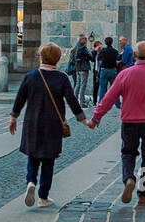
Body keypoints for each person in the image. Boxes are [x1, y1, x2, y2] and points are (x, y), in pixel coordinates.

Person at [90, 40, 145, 208]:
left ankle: (129, 178)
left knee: (128, 152)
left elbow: (109, 98)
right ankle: (143, 194)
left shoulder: (124, 74)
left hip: (129, 121)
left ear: (134, 55)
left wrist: (96, 117)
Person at [9, 43, 87, 207]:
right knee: (48, 160)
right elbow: (72, 100)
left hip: (33, 122)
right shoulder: (62, 78)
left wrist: (14, 117)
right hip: (53, 124)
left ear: (41, 57)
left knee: (33, 155)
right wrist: (83, 119)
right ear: (57, 59)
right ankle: (43, 197)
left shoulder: (31, 77)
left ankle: (31, 181)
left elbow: (20, 99)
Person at [72, 35, 93, 107]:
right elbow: (91, 57)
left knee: (78, 85)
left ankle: (74, 101)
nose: (86, 40)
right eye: (85, 39)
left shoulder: (76, 47)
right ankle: (81, 102)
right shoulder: (83, 47)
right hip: (83, 68)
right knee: (82, 85)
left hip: (77, 68)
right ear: (81, 40)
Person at [97, 36, 120, 103]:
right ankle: (117, 103)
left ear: (105, 43)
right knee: (115, 88)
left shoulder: (103, 50)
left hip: (104, 70)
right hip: (113, 70)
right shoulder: (115, 51)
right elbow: (118, 59)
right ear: (112, 42)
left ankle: (101, 103)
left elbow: (98, 58)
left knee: (103, 89)